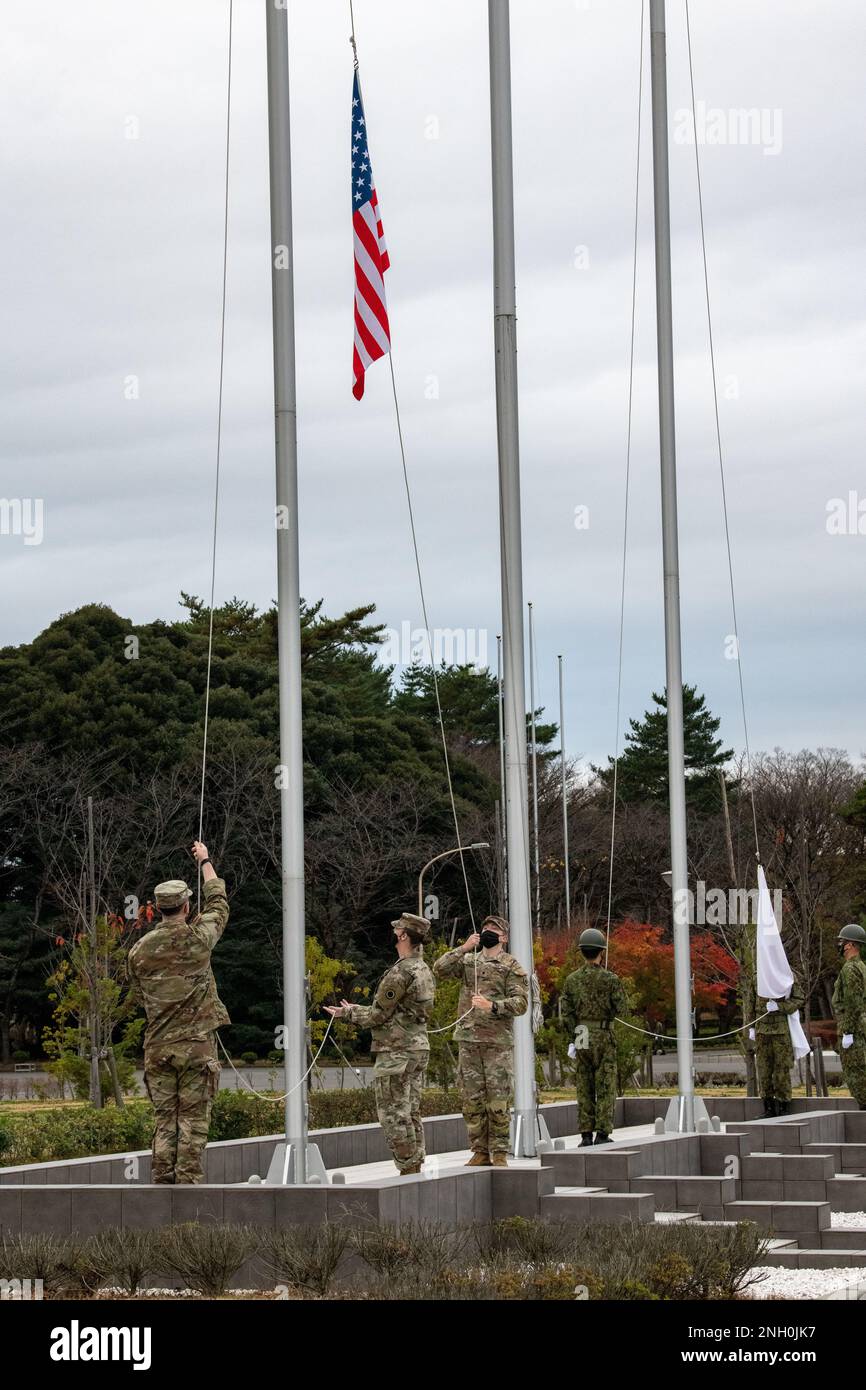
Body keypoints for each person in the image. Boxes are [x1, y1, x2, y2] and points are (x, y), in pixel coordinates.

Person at [126, 841, 229, 1184]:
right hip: (195, 1047)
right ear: (186, 906)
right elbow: (218, 902)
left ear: (156, 909)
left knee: (164, 1120)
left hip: (157, 1047)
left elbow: (141, 995)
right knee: (193, 1121)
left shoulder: (139, 951)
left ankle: (161, 1186)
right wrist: (205, 861)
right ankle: (188, 1188)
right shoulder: (198, 940)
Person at [326, 913, 434, 1175]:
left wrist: (348, 1013)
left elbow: (378, 1014)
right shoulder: (424, 969)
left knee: (393, 1113)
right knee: (410, 1110)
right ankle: (415, 1163)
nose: (394, 935)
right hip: (418, 1048)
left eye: (397, 931)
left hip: (397, 1052)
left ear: (404, 936)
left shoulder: (401, 972)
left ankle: (408, 1168)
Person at [433, 915, 528, 1168]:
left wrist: (492, 1006)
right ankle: (479, 1151)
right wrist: (463, 947)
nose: (488, 932)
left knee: (497, 1101)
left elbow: (521, 1004)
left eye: (494, 929)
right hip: (468, 1040)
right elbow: (439, 969)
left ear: (504, 937)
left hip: (497, 1043)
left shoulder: (511, 966)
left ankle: (499, 1153)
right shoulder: (469, 961)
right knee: (471, 1100)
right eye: (485, 928)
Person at [561, 928, 625, 1146]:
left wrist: (574, 1034)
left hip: (581, 1034)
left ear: (582, 952)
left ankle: (585, 1134)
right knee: (605, 1084)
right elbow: (622, 1008)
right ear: (601, 952)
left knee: (584, 1083)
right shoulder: (610, 979)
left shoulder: (571, 980)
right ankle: (603, 1134)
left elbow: (566, 1014)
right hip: (603, 1033)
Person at [832, 923, 866, 1109]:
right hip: (858, 1028)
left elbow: (853, 1003)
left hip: (854, 1031)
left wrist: (848, 1031)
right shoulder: (860, 966)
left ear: (850, 944)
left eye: (841, 941)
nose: (839, 944)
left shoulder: (850, 969)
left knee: (857, 1078)